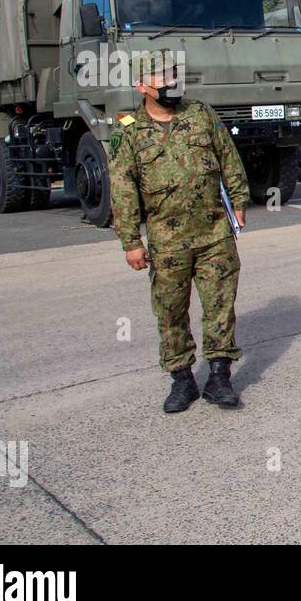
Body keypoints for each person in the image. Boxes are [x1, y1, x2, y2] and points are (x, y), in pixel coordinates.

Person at [108, 49, 249, 414]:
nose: (171, 83)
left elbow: (227, 156)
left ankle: (220, 376)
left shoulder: (201, 114)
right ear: (141, 86)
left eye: (173, 75)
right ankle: (182, 379)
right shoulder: (128, 129)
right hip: (167, 240)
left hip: (214, 232)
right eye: (161, 77)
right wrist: (130, 242)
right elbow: (122, 187)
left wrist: (239, 201)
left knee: (220, 305)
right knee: (170, 310)